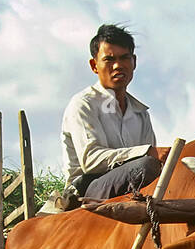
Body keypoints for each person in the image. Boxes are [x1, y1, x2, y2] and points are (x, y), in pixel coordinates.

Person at [61, 24, 166, 201]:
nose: (118, 65)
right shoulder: (83, 104)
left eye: (124, 58)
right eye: (109, 60)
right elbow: (91, 161)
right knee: (147, 165)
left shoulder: (140, 113)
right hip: (87, 188)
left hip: (132, 185)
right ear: (94, 65)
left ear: (134, 62)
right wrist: (148, 152)